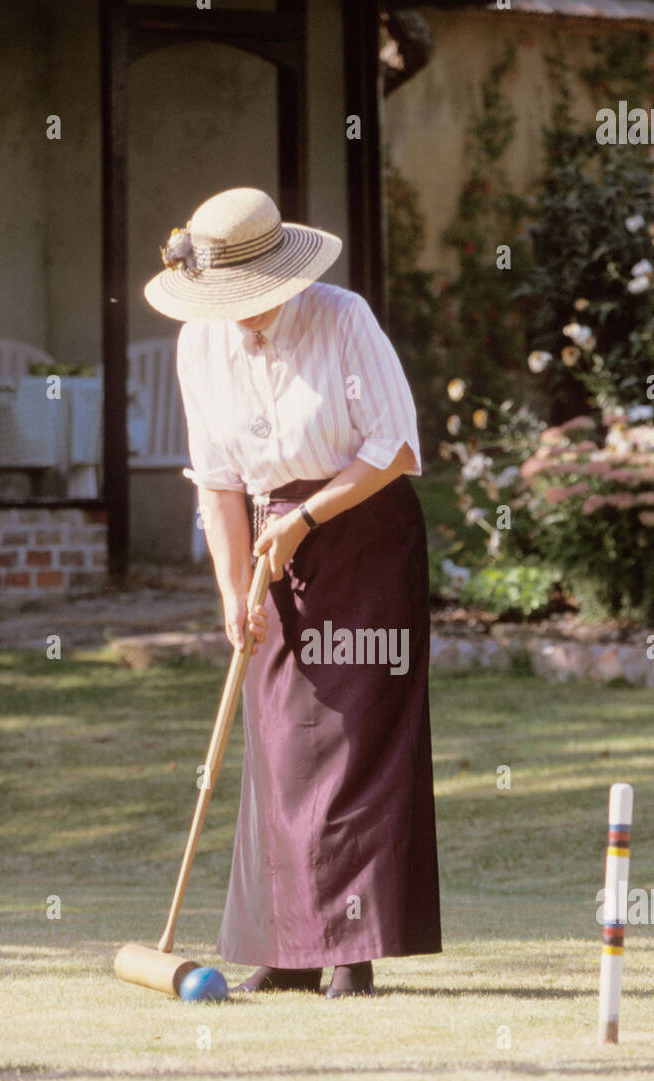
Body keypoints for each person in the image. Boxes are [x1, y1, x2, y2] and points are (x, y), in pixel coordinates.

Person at [145, 187, 441, 998]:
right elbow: (216, 481)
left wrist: (307, 516)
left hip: (366, 530)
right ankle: (285, 945)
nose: (238, 317)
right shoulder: (199, 345)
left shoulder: (343, 319)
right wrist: (234, 591)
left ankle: (349, 948)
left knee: (354, 741)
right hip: (277, 537)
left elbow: (395, 446)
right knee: (278, 741)